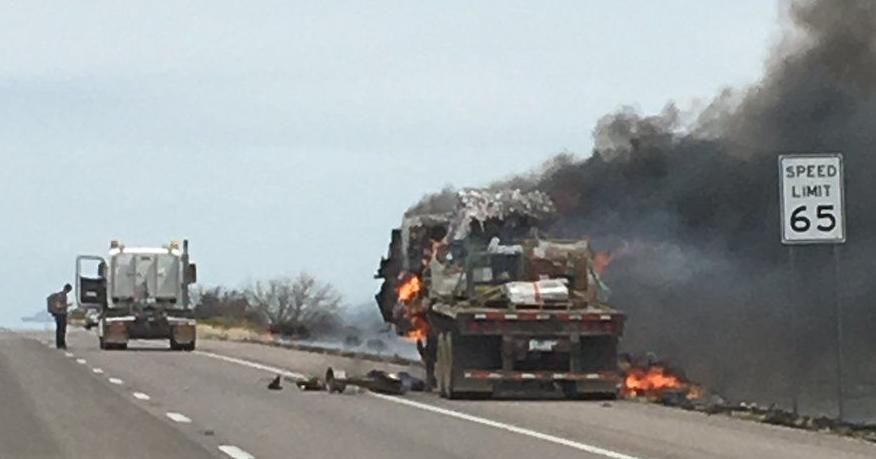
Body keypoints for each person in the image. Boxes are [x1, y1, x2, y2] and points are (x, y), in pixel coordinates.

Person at [46, 284, 72, 349]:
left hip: (59, 314)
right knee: (62, 330)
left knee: (59, 329)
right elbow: (58, 306)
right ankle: (61, 344)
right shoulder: (62, 296)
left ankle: (59, 344)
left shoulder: (61, 295)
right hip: (61, 315)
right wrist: (67, 305)